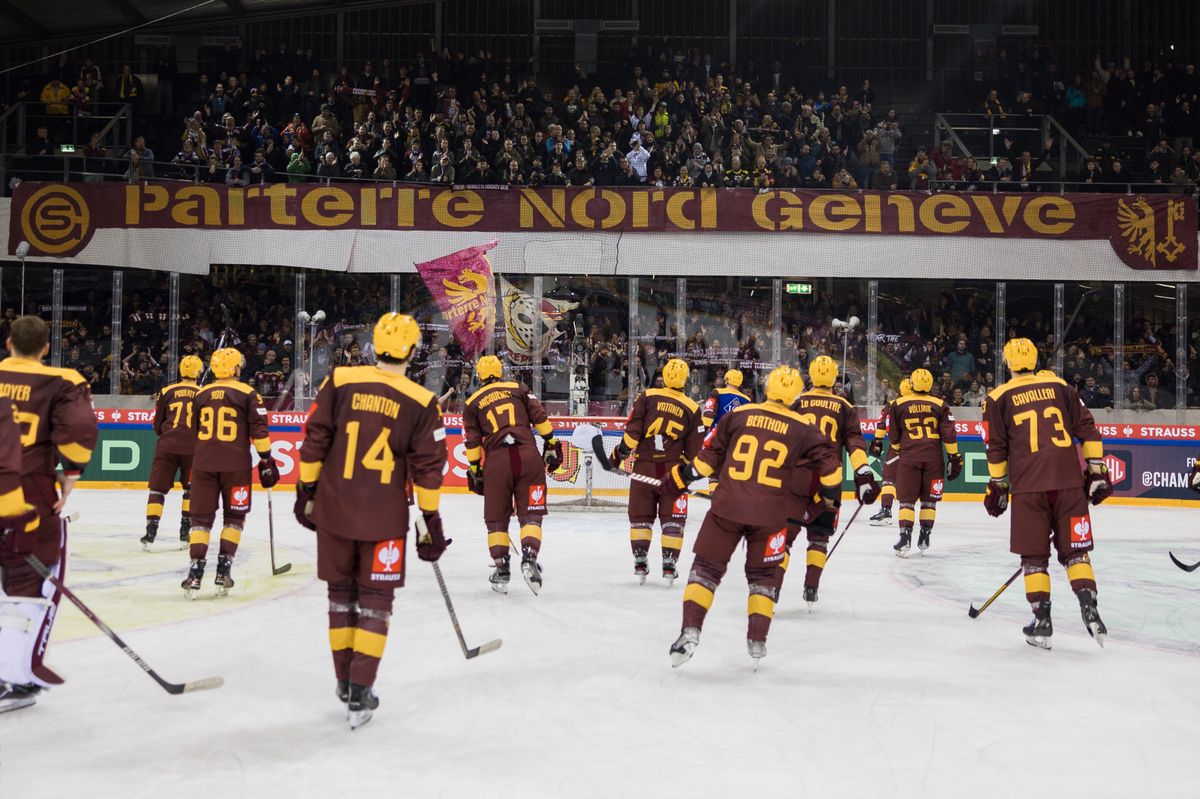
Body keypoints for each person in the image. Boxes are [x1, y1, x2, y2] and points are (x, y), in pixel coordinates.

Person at [294, 313, 448, 729]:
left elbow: (315, 440)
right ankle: (360, 691)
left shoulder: (341, 381)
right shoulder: (421, 401)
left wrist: (306, 491)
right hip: (385, 518)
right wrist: (431, 521)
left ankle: (344, 682)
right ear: (413, 352)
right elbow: (429, 470)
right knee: (375, 605)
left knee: (340, 598)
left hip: (333, 509)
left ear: (372, 346)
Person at [661, 365, 842, 667]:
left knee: (706, 569)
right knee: (763, 577)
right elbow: (833, 473)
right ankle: (757, 640)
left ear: (768, 387)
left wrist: (679, 478)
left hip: (727, 506)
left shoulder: (738, 416)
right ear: (796, 394)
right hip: (773, 514)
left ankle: (689, 631)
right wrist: (827, 501)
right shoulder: (805, 429)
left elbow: (705, 463)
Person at [982, 339, 1111, 649]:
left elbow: (995, 448)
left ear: (1007, 363)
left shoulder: (997, 397)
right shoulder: (1061, 386)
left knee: (1035, 559)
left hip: (1029, 488)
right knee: (1076, 552)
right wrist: (1096, 470)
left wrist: (999, 485)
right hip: (1068, 485)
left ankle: (1042, 621)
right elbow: (1088, 430)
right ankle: (1089, 605)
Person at [0, 315, 98, 709]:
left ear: (8, 343)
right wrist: (72, 473)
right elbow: (78, 431)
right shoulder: (63, 380)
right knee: (30, 583)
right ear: (45, 348)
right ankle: (12, 679)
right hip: (28, 490)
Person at [182, 348, 279, 598]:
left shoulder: (200, 394)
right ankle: (223, 571)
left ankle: (195, 573)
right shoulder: (249, 394)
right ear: (235, 368)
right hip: (236, 467)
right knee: (234, 519)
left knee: (200, 521)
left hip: (203, 466)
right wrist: (267, 460)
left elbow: (193, 430)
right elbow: (259, 432)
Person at [462, 355, 562, 594]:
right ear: (500, 371)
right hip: (528, 457)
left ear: (479, 376)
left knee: (496, 520)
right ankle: (529, 556)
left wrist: (476, 469)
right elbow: (540, 419)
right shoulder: (518, 388)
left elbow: (473, 443)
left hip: (497, 463)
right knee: (531, 514)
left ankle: (501, 567)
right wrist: (551, 442)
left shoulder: (472, 402)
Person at [789, 356, 880, 607]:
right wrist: (863, 472)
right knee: (819, 537)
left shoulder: (796, 401)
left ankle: (771, 588)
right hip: (829, 479)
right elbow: (855, 443)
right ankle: (811, 586)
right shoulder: (844, 406)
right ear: (833, 378)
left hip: (795, 478)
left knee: (782, 535)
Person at [609, 358, 704, 585]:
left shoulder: (648, 396)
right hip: (672, 472)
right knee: (673, 520)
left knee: (641, 518)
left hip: (644, 467)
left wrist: (617, 456)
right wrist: (683, 471)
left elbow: (632, 436)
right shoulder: (691, 407)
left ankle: (640, 560)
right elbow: (695, 452)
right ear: (685, 379)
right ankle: (670, 563)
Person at [888, 368, 961, 556]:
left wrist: (897, 449)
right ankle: (925, 534)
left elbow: (894, 435)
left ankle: (905, 538)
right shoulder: (940, 404)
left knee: (906, 502)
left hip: (909, 459)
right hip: (934, 460)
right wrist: (954, 456)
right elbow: (949, 435)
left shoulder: (898, 404)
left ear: (912, 383)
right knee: (929, 501)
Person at [141, 355, 201, 550]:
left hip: (167, 446)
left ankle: (151, 531)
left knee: (157, 490)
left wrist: (166, 434)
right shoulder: (204, 393)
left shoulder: (166, 391)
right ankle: (185, 532)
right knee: (190, 490)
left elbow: (157, 425)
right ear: (198, 372)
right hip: (193, 449)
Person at [868, 378, 912, 526]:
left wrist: (877, 443)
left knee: (889, 478)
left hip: (898, 448)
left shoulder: (892, 405)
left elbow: (881, 425)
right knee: (914, 482)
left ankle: (886, 510)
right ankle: (923, 517)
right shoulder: (926, 404)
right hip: (919, 449)